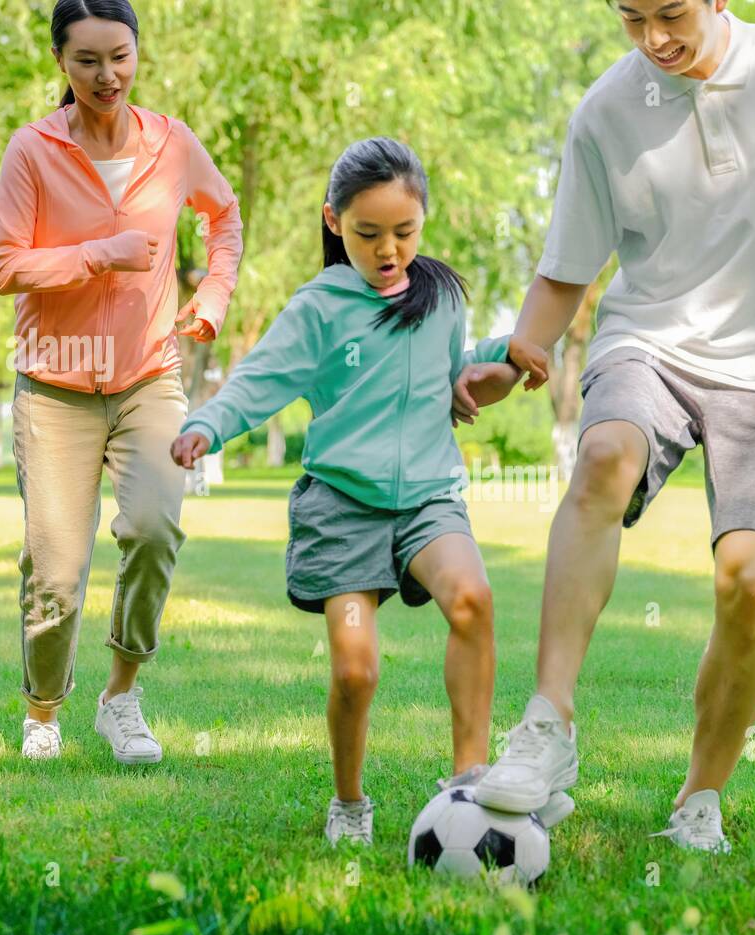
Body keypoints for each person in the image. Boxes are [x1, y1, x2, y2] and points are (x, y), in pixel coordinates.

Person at [460, 0, 755, 852]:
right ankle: (547, 726)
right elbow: (567, 267)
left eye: (671, 13)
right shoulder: (607, 112)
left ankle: (699, 798)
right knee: (604, 455)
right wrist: (519, 352)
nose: (655, 39)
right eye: (632, 17)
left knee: (749, 582)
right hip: (647, 339)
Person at [169, 137, 565, 847]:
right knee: (357, 670)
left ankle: (469, 778)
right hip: (343, 508)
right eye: (369, 234)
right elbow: (262, 380)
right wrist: (206, 426)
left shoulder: (438, 295)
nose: (390, 250)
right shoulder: (320, 308)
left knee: (473, 597)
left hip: (427, 500)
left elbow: (454, 366)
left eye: (405, 232)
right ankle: (350, 800)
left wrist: (505, 348)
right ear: (333, 221)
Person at [0, 0, 243, 763]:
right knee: (56, 572)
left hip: (148, 375)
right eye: (89, 60)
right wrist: (100, 251)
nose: (108, 75)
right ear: (61, 63)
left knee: (157, 526)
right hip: (53, 387)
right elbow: (5, 267)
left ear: (137, 53)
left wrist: (214, 296)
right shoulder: (32, 151)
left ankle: (120, 697)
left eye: (121, 56)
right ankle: (42, 712)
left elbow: (223, 216)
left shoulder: (172, 143)